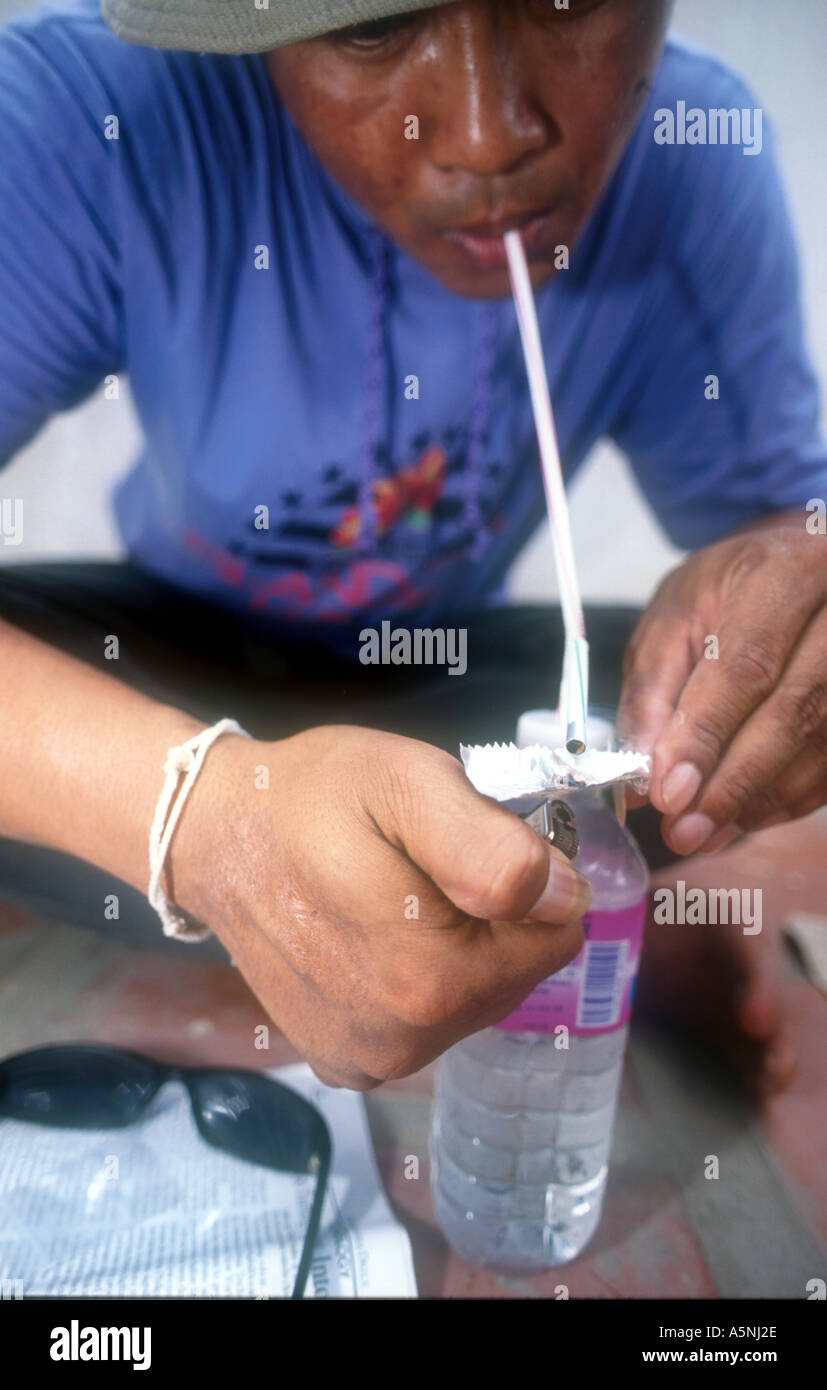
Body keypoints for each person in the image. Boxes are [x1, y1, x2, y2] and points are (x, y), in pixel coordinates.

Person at [0, 0, 824, 1092]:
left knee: (666, 708)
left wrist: (773, 634)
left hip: (434, 681)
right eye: (369, 27)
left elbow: (779, 542)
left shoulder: (692, 160)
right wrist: (197, 818)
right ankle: (295, 874)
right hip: (178, 672)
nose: (486, 135)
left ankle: (451, 894)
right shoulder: (91, 115)